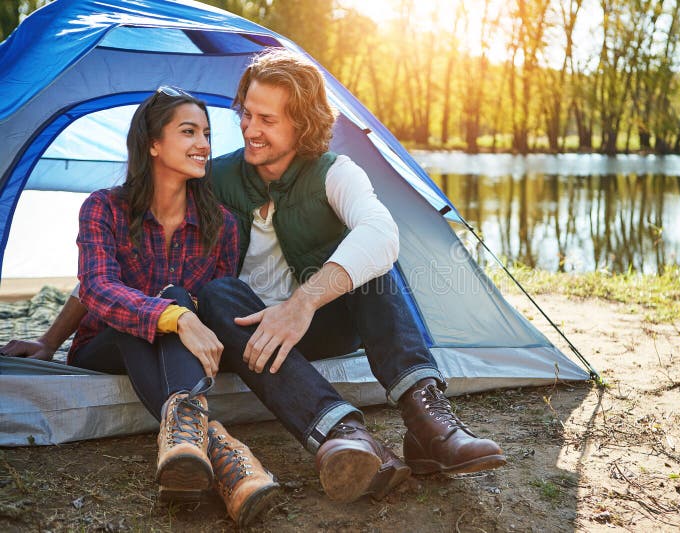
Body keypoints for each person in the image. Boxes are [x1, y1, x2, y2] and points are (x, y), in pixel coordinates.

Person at [2, 48, 506, 505]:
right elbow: (109, 278)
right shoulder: (195, 182)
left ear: (301, 124)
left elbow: (380, 232)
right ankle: (333, 436)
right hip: (235, 333)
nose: (248, 129)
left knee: (373, 264)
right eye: (245, 114)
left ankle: (427, 420)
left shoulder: (328, 174)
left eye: (266, 119)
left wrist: (301, 304)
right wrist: (54, 338)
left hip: (308, 327)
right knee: (204, 295)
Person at [0, 87, 279, 527]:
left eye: (207, 134)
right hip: (108, 346)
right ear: (152, 143)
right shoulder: (103, 208)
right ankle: (222, 450)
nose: (204, 145)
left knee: (177, 299)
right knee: (162, 305)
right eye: (189, 132)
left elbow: (216, 302)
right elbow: (96, 287)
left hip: (183, 357)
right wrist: (50, 340)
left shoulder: (221, 224)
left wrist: (185, 315)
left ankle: (188, 447)